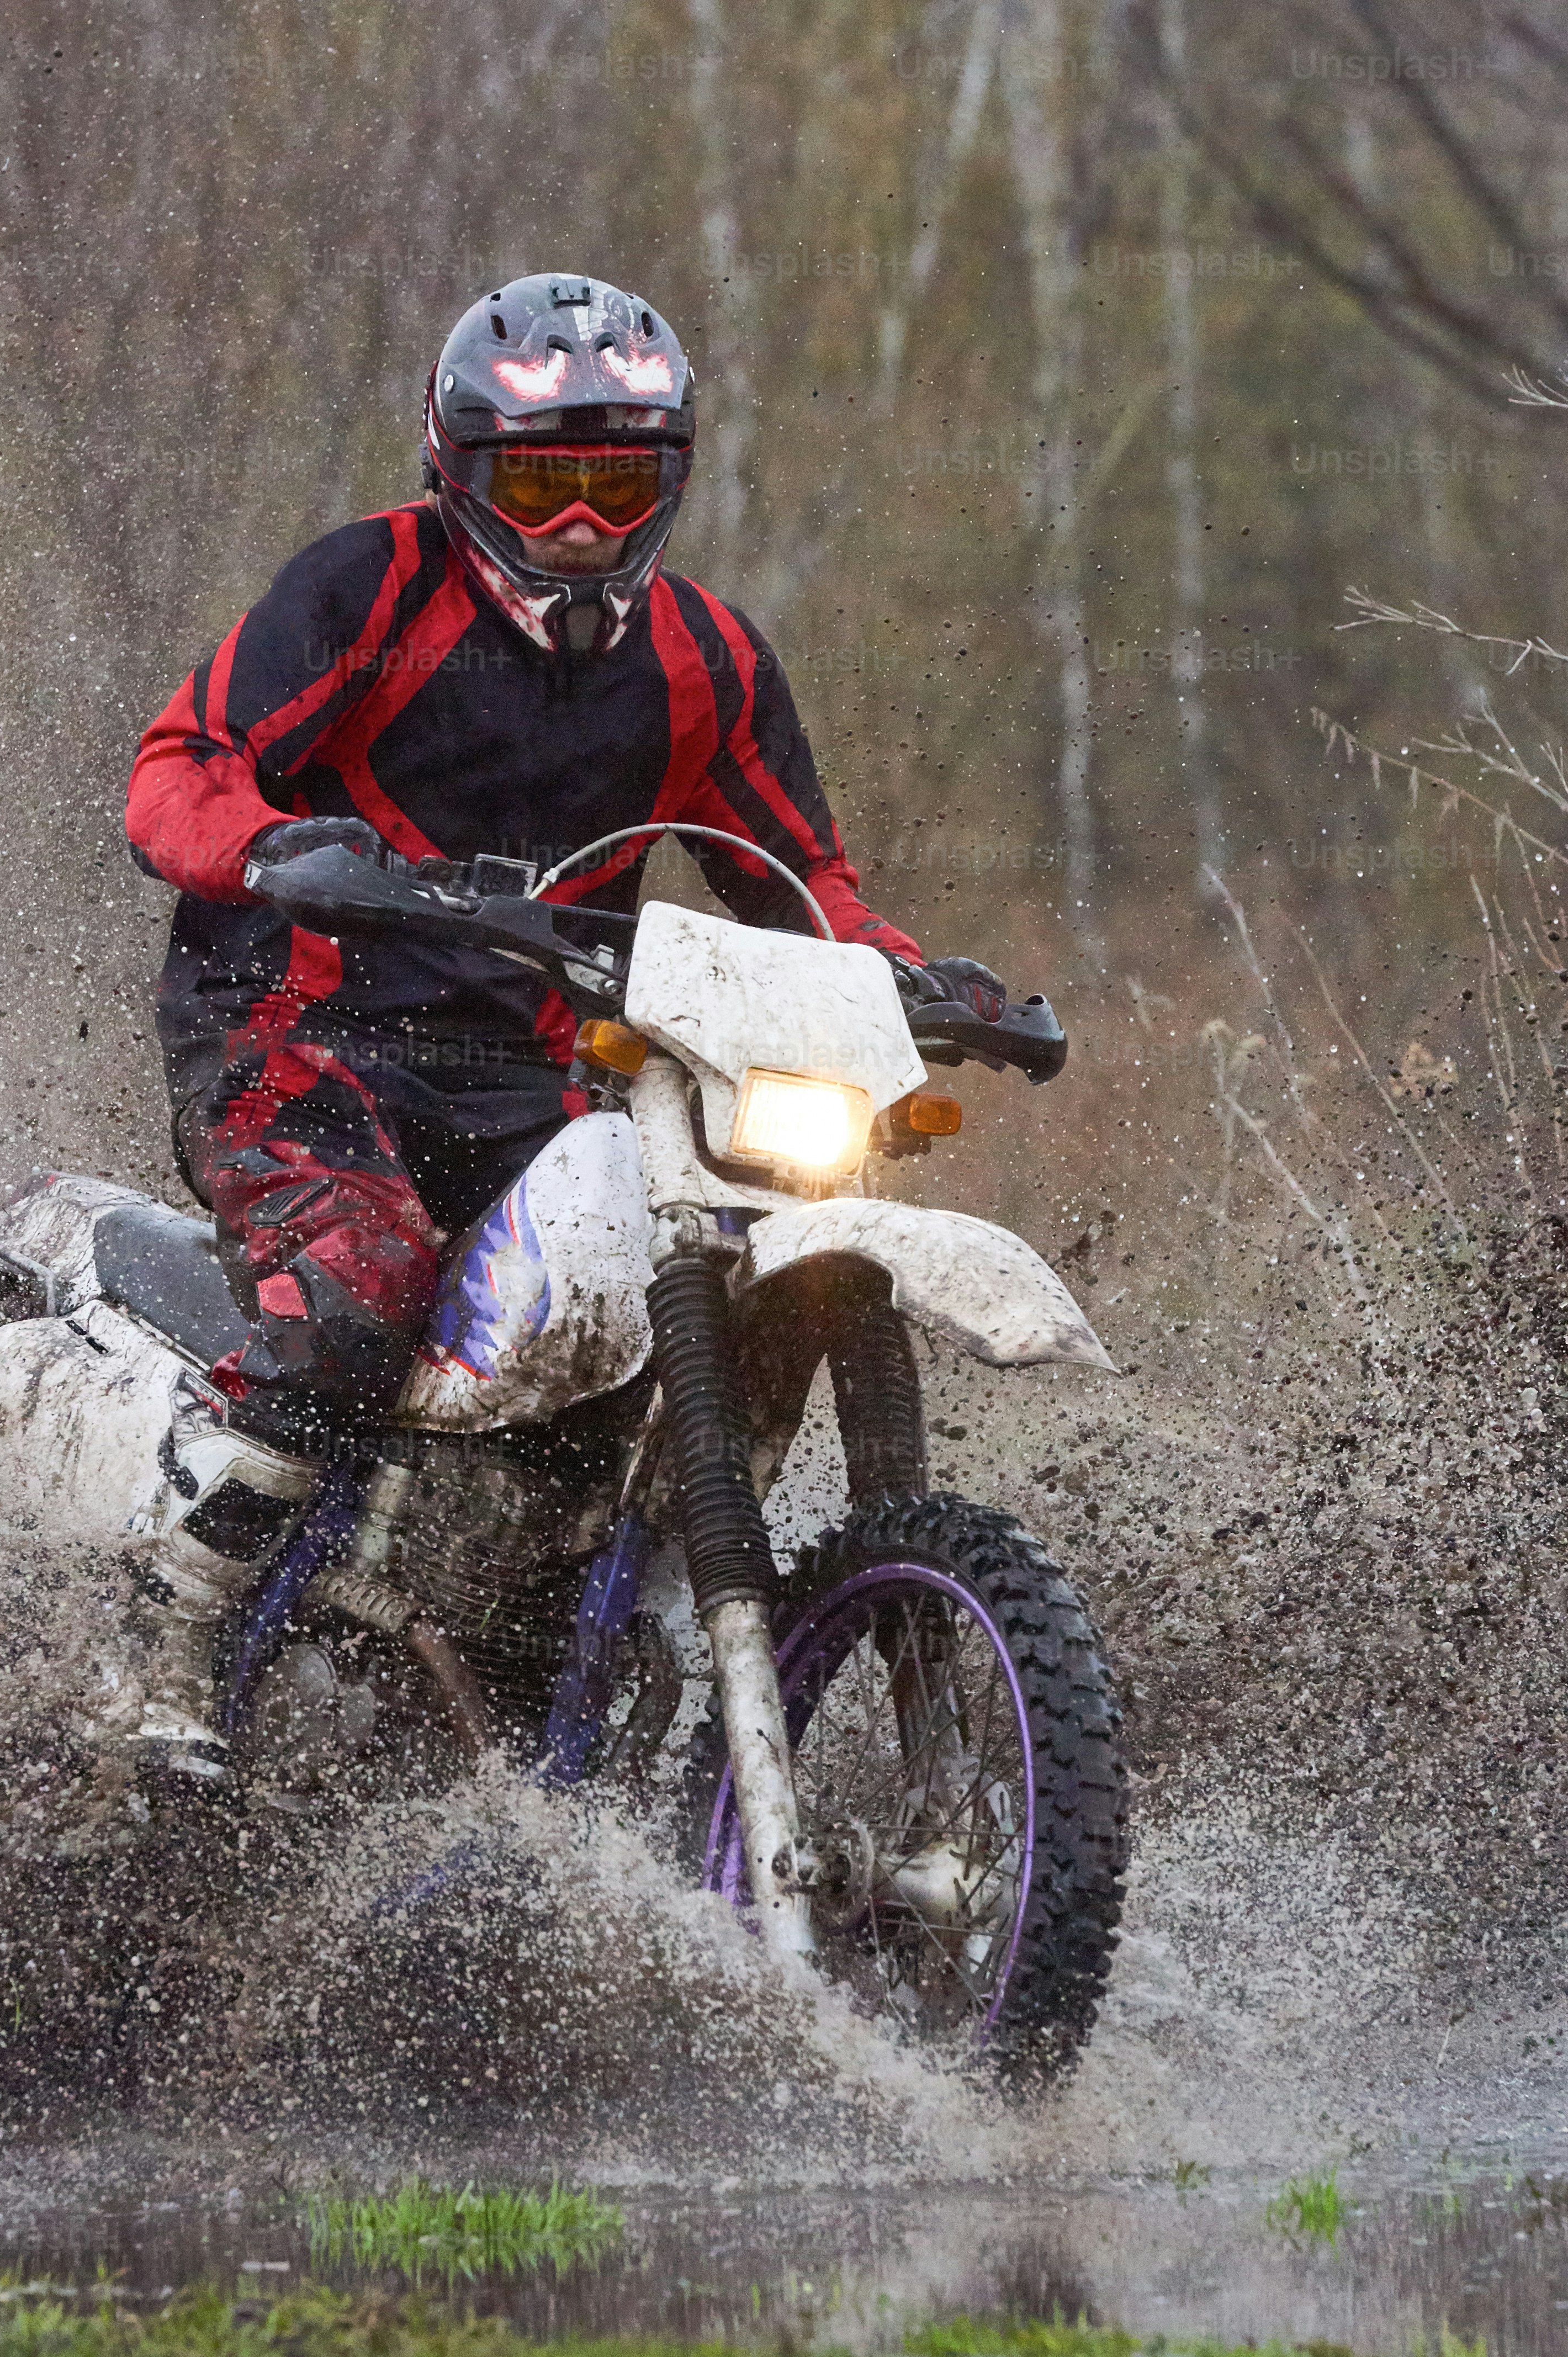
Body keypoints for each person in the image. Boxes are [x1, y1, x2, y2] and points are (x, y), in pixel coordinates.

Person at [98, 271, 1021, 1772]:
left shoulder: (705, 660)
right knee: (355, 1286)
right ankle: (162, 1646)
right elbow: (177, 767)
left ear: (672, 474)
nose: (582, 520)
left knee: (631, 1325)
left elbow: (803, 883)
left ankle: (523, 1673)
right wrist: (273, 848)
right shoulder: (367, 591)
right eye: (543, 478)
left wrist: (926, 983)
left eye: (618, 479)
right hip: (296, 1034)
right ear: (459, 465)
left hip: (532, 1069)